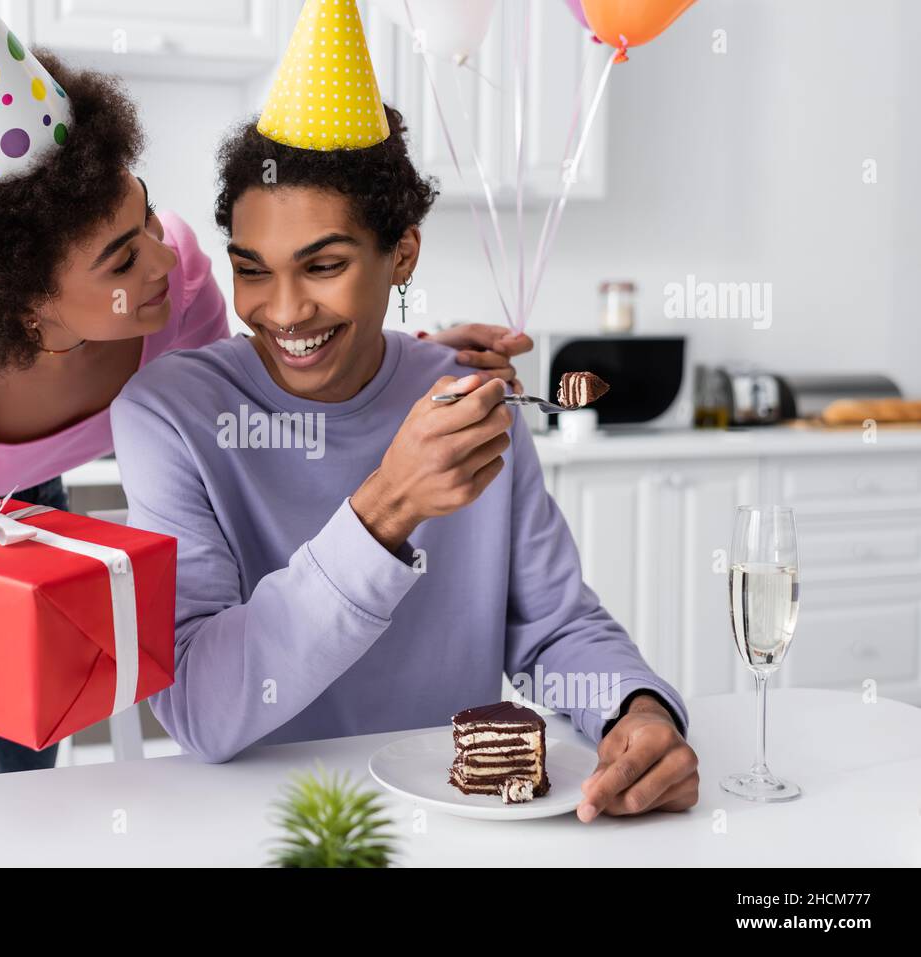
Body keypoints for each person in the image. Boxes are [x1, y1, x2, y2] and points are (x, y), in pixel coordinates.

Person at [0, 0, 524, 786]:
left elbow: (259, 382)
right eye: (122, 260)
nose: (164, 256)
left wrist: (405, 357)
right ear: (26, 306)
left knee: (26, 774)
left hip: (25, 503)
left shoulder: (179, 285)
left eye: (146, 212)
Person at [109, 0, 699, 822]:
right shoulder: (168, 415)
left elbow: (554, 625)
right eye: (252, 269)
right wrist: (389, 505)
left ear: (403, 255)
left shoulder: (467, 397)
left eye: (323, 265)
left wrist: (638, 710)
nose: (282, 310)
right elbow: (203, 709)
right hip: (259, 829)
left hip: (454, 824)